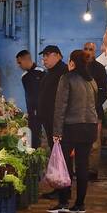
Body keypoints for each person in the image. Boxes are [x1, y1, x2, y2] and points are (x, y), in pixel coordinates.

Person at [51, 49, 98, 213]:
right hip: (89, 127)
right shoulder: (91, 81)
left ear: (73, 62)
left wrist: (56, 131)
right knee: (83, 165)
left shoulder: (66, 78)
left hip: (72, 127)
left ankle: (63, 202)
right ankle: (80, 205)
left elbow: (60, 107)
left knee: (64, 165)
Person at [38, 45, 67, 197]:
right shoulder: (51, 72)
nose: (44, 59)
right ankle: (59, 187)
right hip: (49, 120)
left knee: (60, 154)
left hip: (57, 122)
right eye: (43, 57)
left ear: (57, 55)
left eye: (47, 56)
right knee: (55, 153)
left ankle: (62, 189)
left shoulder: (63, 72)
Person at [82, 40, 107, 175]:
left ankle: (92, 170)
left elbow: (105, 89)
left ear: (95, 52)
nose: (87, 51)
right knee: (80, 142)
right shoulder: (78, 67)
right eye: (86, 49)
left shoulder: (99, 68)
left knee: (94, 143)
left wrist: (95, 103)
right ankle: (81, 169)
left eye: (90, 49)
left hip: (95, 112)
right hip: (79, 113)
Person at [16, 49, 46, 148]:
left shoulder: (41, 72)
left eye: (19, 62)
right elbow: (29, 95)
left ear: (26, 60)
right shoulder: (24, 77)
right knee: (34, 135)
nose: (18, 65)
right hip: (32, 112)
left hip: (44, 109)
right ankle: (35, 154)